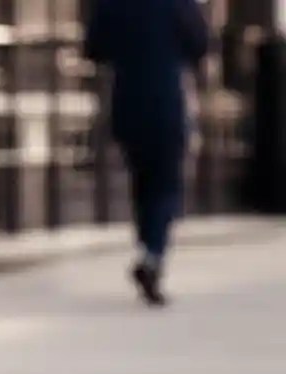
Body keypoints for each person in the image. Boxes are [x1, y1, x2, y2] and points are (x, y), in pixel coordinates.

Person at [86, 0, 210, 306]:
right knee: (166, 184)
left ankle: (146, 246)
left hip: (126, 101)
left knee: (142, 180)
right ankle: (152, 253)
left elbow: (94, 48)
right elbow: (199, 44)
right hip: (167, 101)